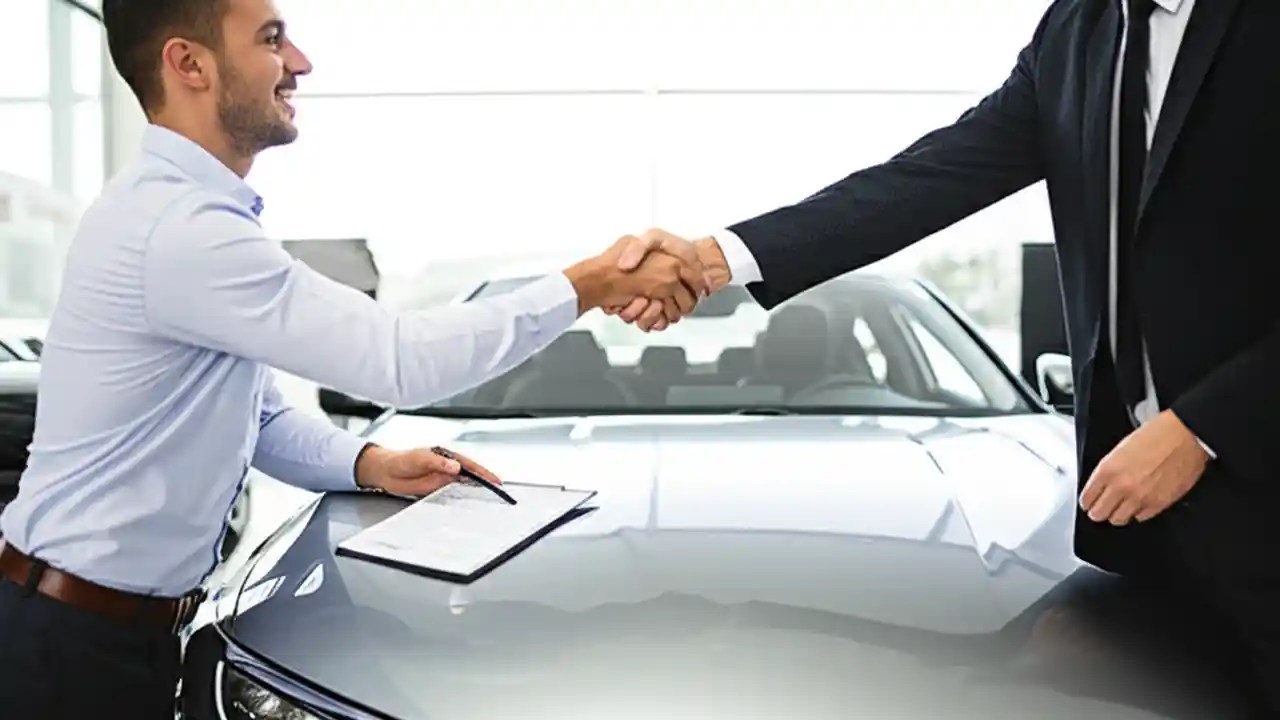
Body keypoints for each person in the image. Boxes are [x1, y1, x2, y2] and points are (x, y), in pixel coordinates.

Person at [0, 0, 704, 716]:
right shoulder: (181, 230)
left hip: (98, 632)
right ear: (189, 64)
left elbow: (259, 418)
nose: (300, 62)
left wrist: (369, 465)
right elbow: (399, 361)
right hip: (68, 648)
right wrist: (592, 284)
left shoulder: (175, 216)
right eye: (272, 40)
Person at [614, 0, 1279, 711]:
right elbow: (931, 177)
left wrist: (1202, 426)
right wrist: (716, 259)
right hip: (1141, 530)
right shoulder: (1078, 31)